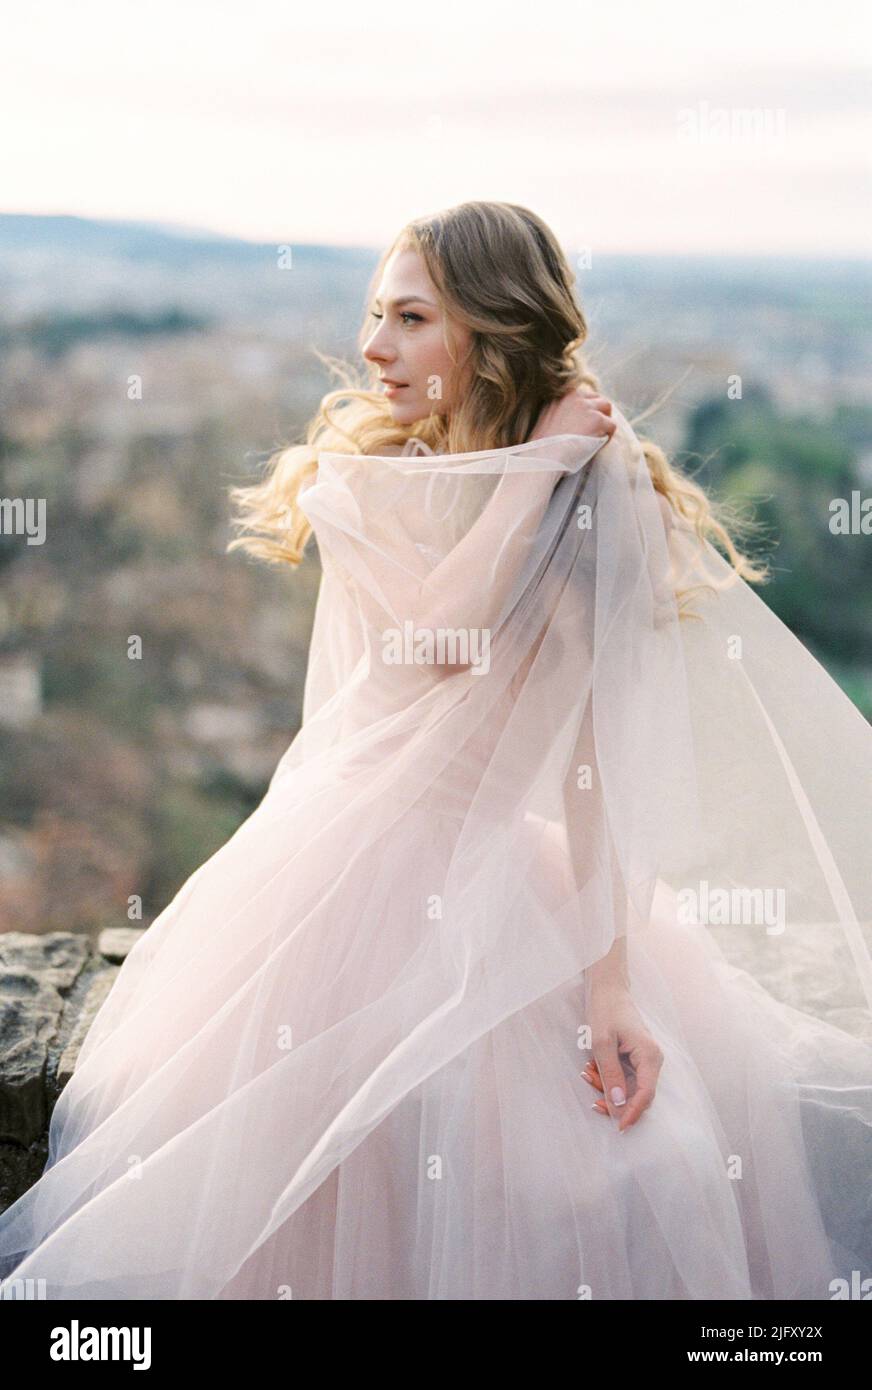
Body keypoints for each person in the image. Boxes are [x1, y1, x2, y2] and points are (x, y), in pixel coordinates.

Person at [0, 201, 870, 1301]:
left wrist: (609, 981)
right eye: (375, 314)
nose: (371, 348)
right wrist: (534, 468)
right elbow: (429, 646)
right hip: (341, 886)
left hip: (512, 872)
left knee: (640, 1161)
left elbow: (594, 759)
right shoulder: (359, 476)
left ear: (492, 336)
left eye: (409, 317)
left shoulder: (598, 503)